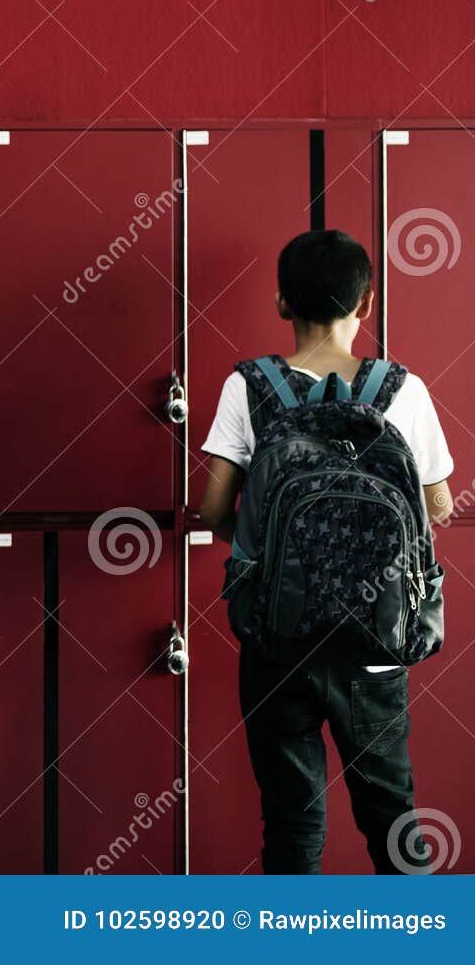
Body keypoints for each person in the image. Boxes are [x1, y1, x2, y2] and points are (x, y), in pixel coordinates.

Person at [198, 228, 454, 874]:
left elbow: (210, 510)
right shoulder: (403, 389)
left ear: (282, 303)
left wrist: (273, 547)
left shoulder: (248, 387)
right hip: (376, 641)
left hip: (276, 637)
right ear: (366, 303)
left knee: (291, 822)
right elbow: (440, 507)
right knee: (393, 814)